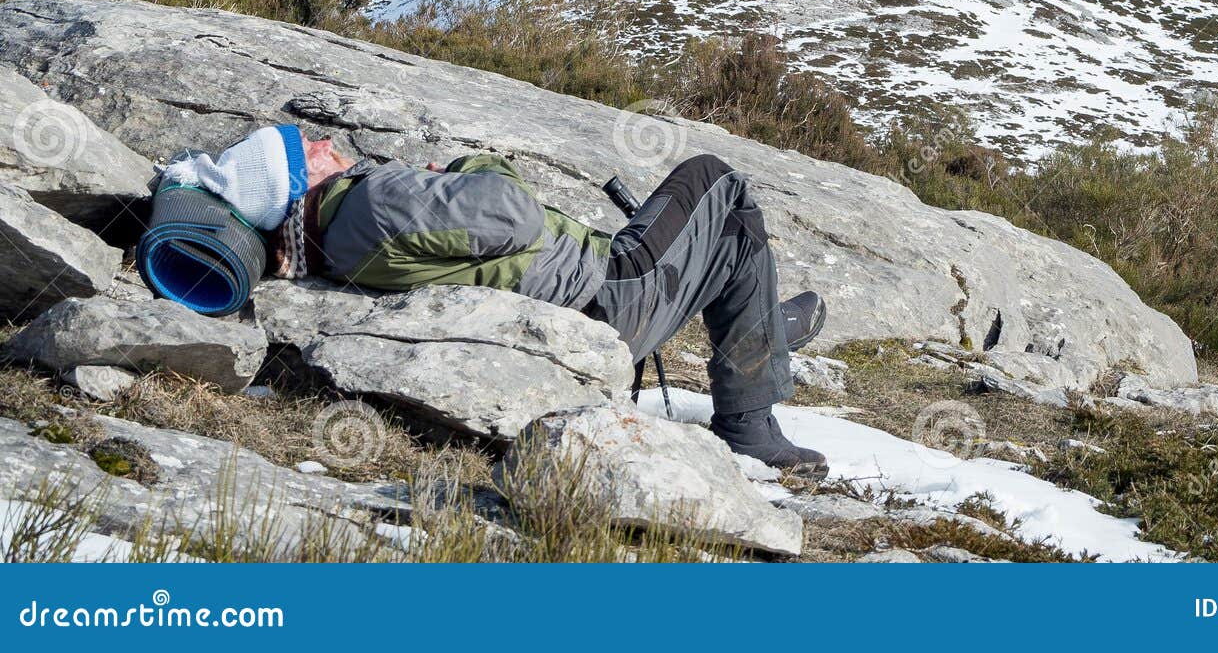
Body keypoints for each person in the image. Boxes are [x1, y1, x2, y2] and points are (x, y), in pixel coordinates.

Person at [156, 125, 829, 475]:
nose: (326, 142)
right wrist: (464, 170)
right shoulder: (371, 199)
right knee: (719, 182)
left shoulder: (332, 244)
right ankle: (750, 418)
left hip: (590, 297)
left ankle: (758, 335)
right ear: (299, 178)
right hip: (608, 289)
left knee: (732, 241)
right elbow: (515, 216)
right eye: (307, 147)